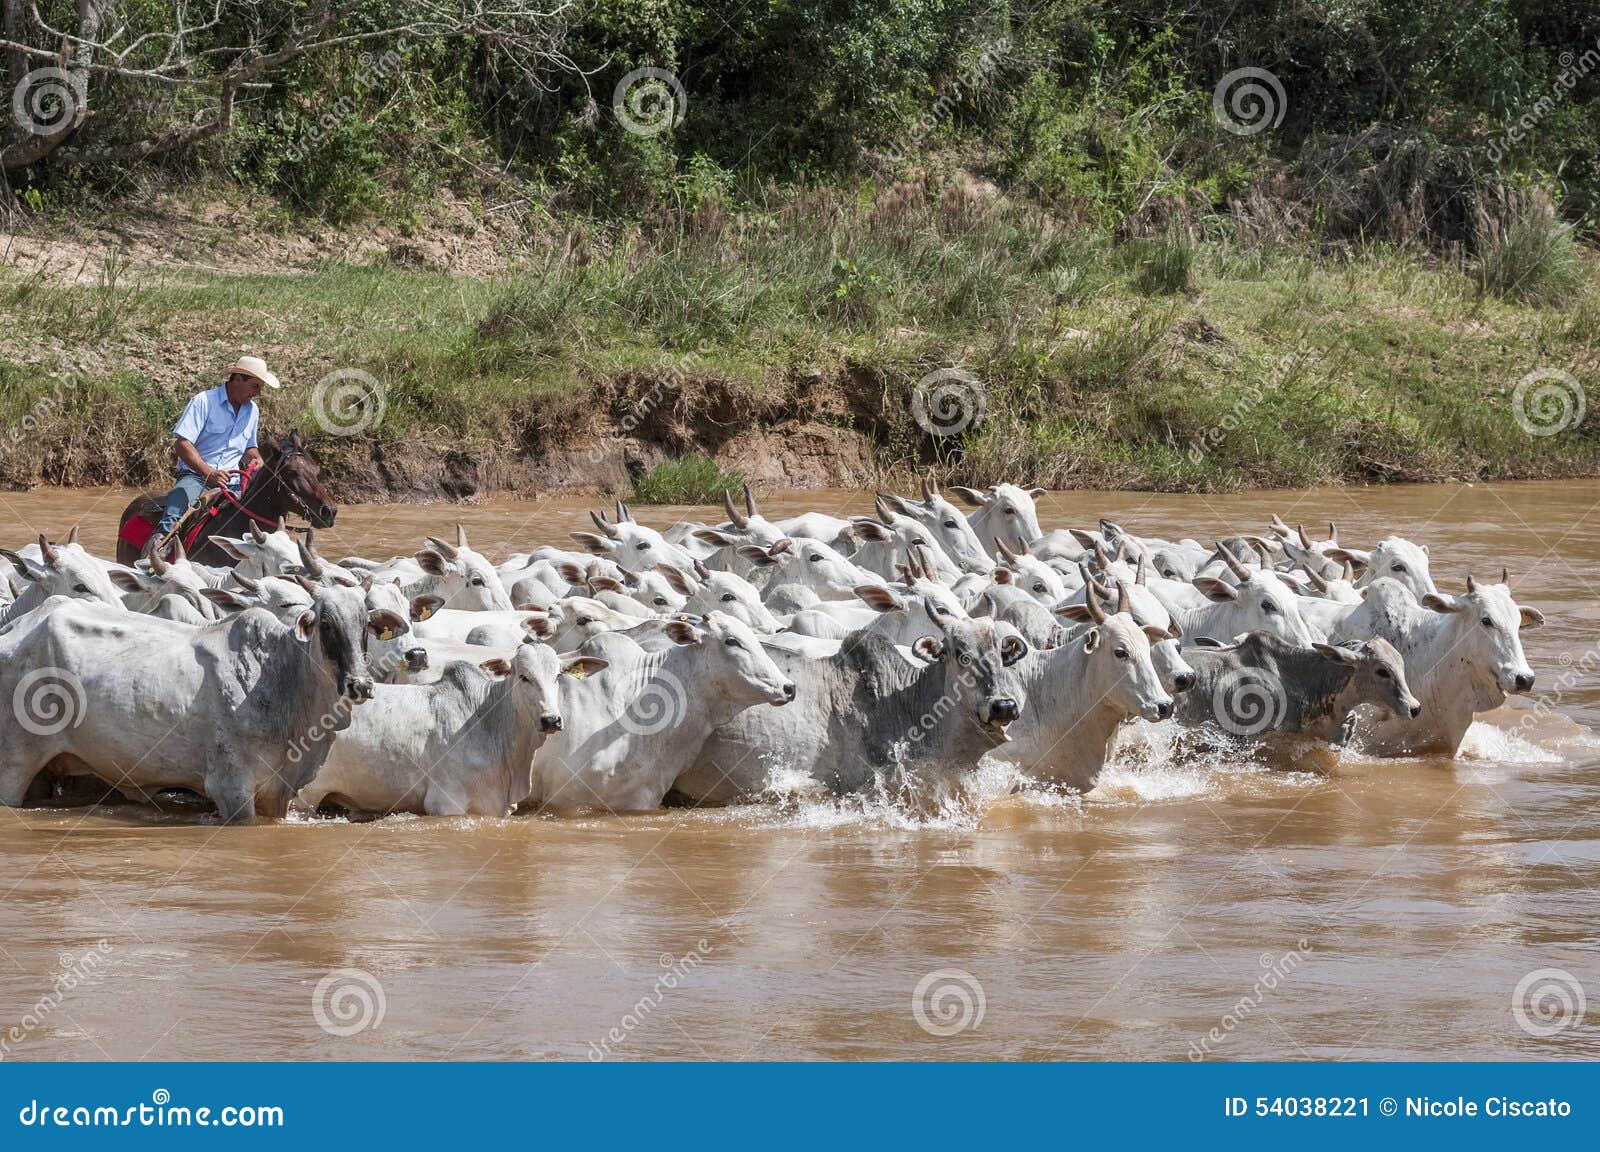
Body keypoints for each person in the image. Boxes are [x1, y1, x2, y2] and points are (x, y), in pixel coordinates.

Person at [156, 356, 281, 537]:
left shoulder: (252, 410)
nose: (258, 393)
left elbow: (248, 448)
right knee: (174, 515)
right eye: (255, 386)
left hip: (234, 484)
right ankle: (156, 551)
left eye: (260, 388)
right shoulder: (204, 401)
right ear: (238, 379)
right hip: (197, 478)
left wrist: (256, 458)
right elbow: (182, 444)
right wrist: (209, 473)